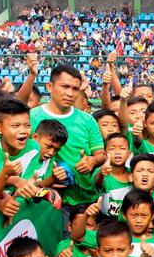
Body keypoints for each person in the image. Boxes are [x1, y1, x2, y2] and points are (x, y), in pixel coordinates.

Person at [30, 65, 105, 208]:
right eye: (64, 86)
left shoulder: (87, 120)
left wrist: (93, 160)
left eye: (75, 89)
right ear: (49, 86)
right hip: (44, 201)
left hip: (86, 200)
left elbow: (102, 155)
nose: (70, 93)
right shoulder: (32, 117)